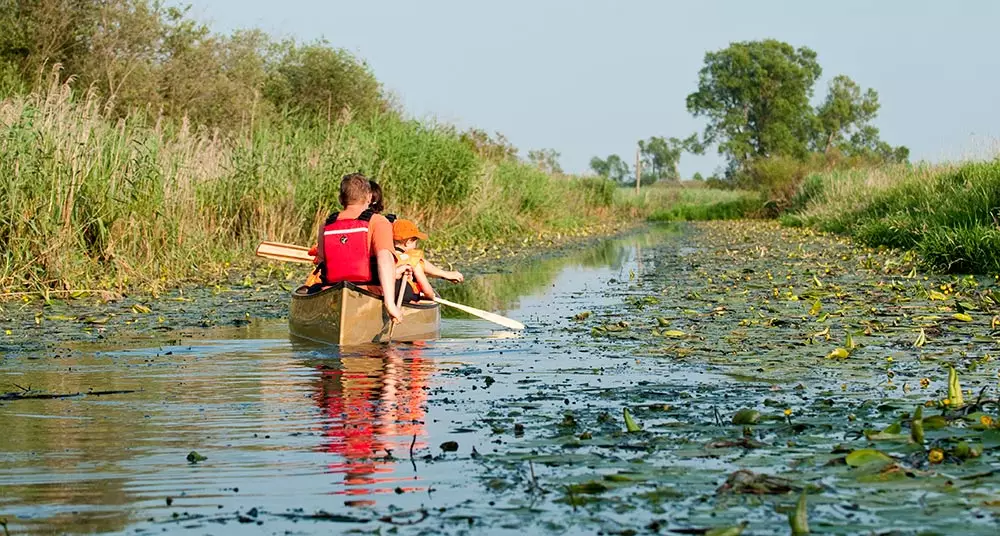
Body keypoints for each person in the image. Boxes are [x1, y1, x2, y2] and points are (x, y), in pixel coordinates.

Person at [314, 173, 404, 322]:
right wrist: (390, 303)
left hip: (331, 293)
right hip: (368, 292)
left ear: (341, 199)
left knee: (309, 290)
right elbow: (385, 259)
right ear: (369, 197)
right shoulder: (378, 222)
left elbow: (321, 261)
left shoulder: (326, 225)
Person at [391, 219, 464, 302]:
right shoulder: (413, 260)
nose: (416, 244)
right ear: (408, 242)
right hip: (407, 297)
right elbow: (426, 289)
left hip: (389, 294)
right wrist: (431, 296)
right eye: (415, 241)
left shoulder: (386, 256)